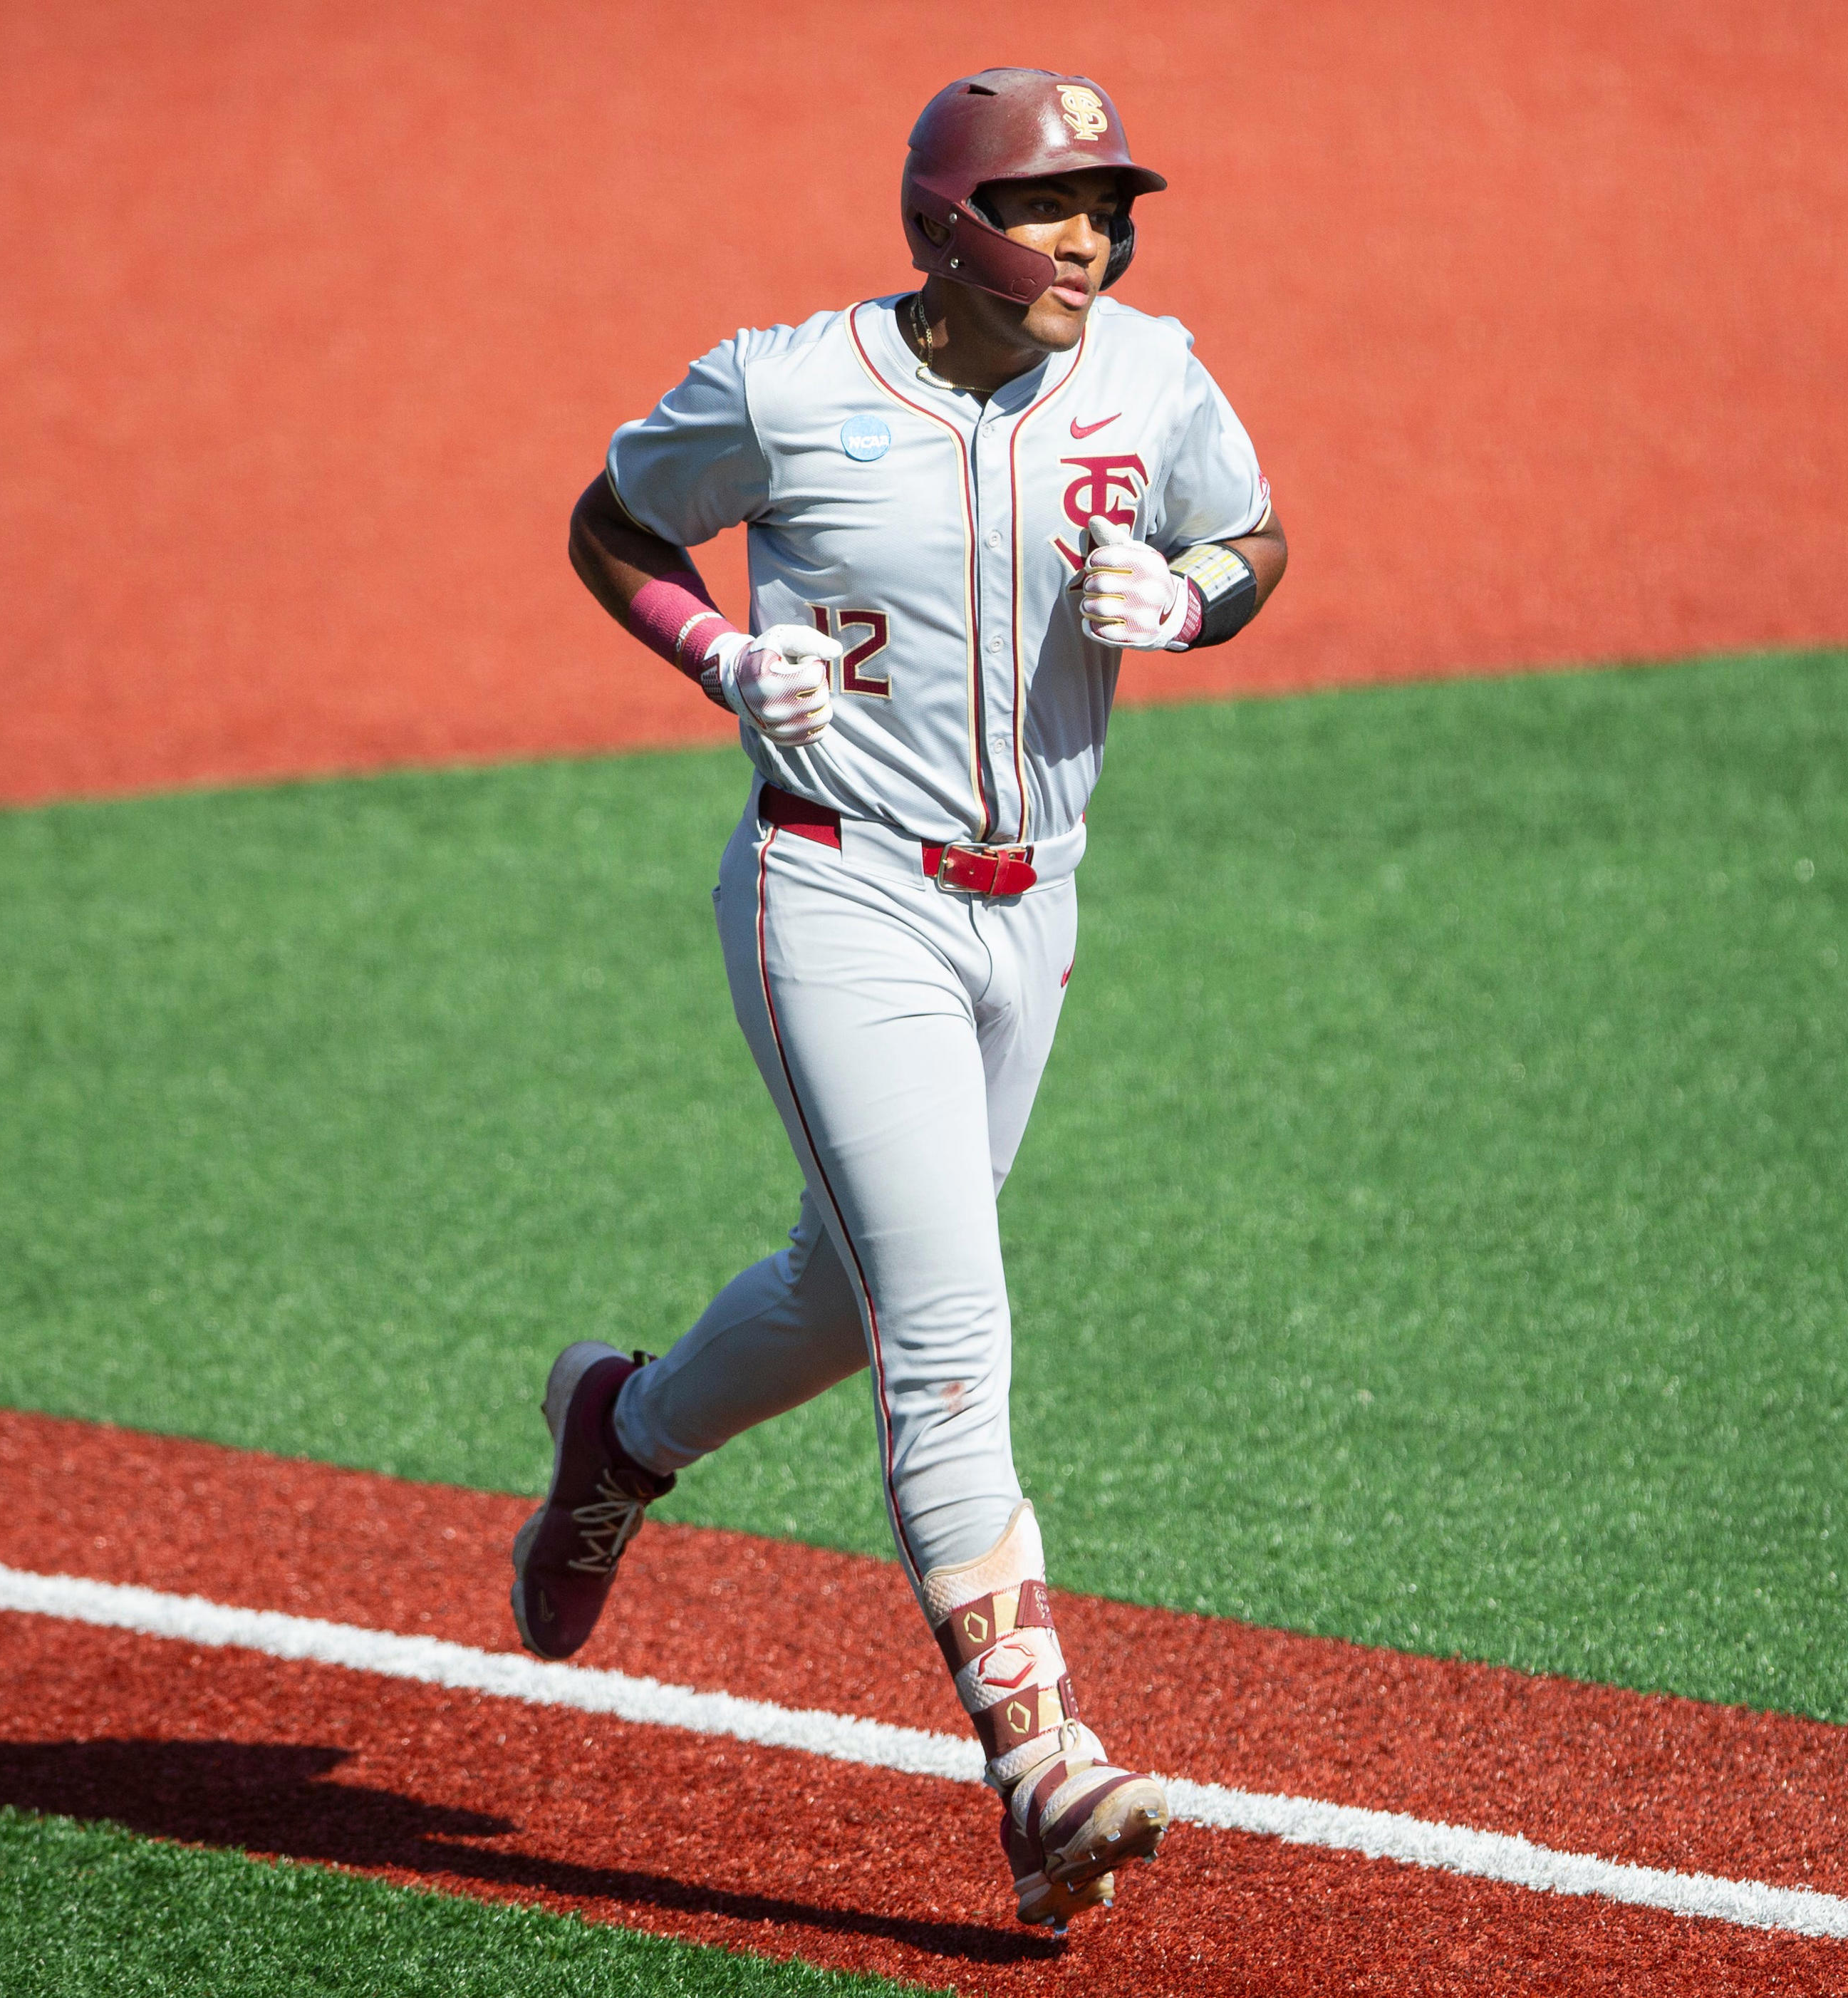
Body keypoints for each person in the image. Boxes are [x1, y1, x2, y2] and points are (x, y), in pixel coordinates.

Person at [514, 66, 1287, 1932]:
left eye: (1112, 206)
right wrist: (719, 652)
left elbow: (1257, 539)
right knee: (948, 1321)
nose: (1094, 239)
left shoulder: (1150, 376)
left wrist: (1192, 597)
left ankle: (622, 1431)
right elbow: (613, 526)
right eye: (1054, 205)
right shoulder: (784, 388)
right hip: (836, 892)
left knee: (843, 1295)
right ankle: (1040, 1760)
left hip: (1035, 915)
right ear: (950, 225)